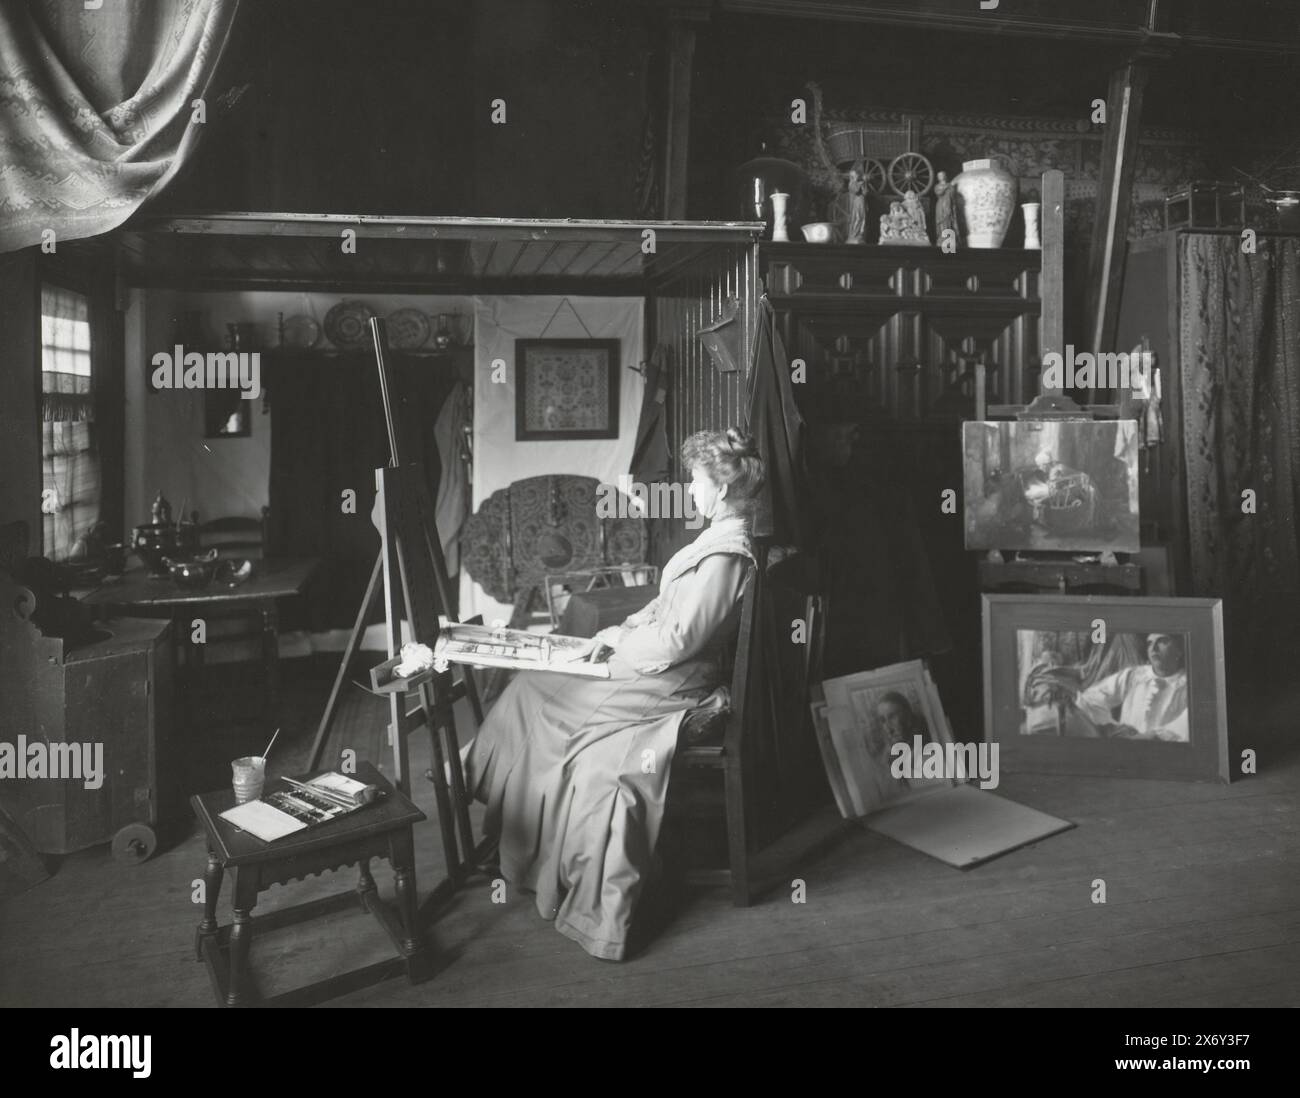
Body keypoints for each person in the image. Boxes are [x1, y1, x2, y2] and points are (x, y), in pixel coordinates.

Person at [460, 428, 764, 960]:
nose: (690, 490)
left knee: (543, 700)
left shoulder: (728, 553)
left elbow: (678, 639)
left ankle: (511, 827)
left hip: (673, 678)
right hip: (655, 660)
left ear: (721, 488)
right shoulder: (714, 539)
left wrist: (619, 644)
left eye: (695, 481)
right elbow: (662, 609)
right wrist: (613, 631)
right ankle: (514, 833)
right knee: (533, 684)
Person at [1072, 633, 1189, 741]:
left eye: (1162, 641)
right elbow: (1090, 698)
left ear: (1179, 650)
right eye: (1150, 643)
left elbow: (1188, 723)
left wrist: (1156, 735)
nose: (1153, 649)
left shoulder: (1189, 684)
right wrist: (1113, 727)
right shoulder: (1134, 675)